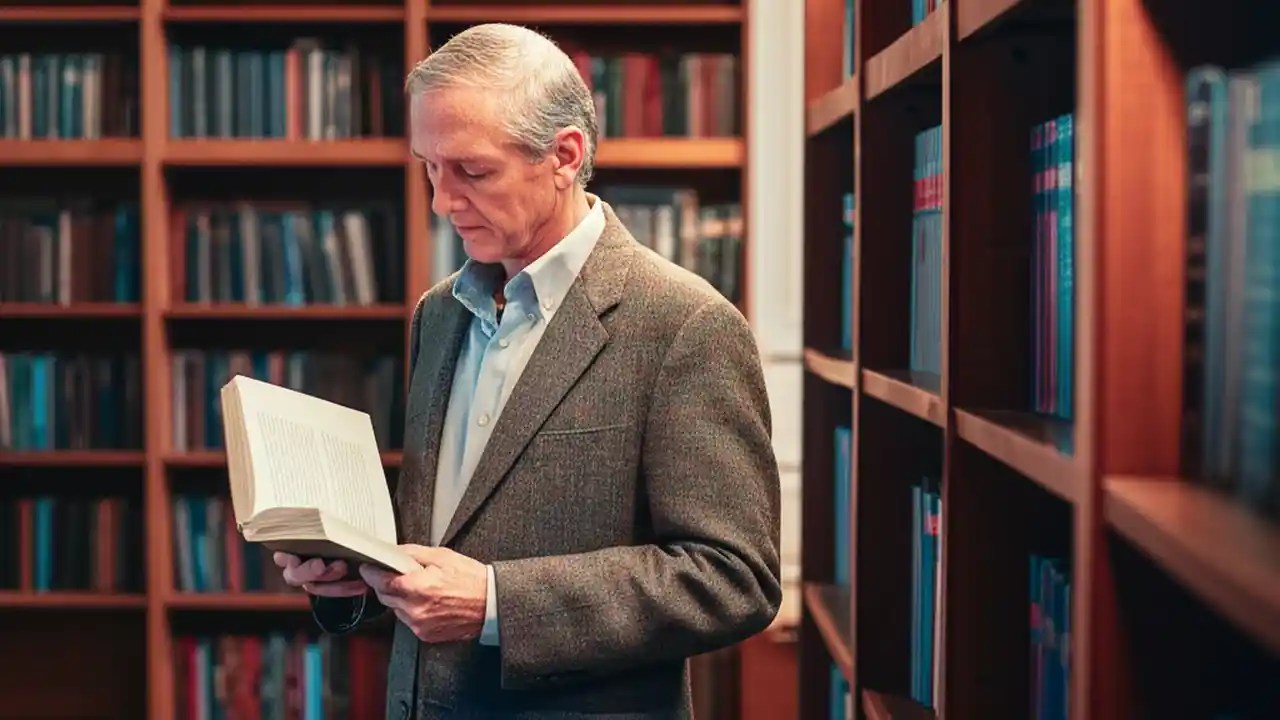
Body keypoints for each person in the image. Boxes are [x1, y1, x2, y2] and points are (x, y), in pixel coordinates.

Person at [272, 22, 781, 720]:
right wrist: (355, 578)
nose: (441, 202)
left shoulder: (684, 326)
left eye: (473, 171)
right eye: (429, 166)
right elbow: (447, 536)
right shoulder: (439, 314)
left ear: (564, 156)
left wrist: (495, 604)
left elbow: (733, 580)